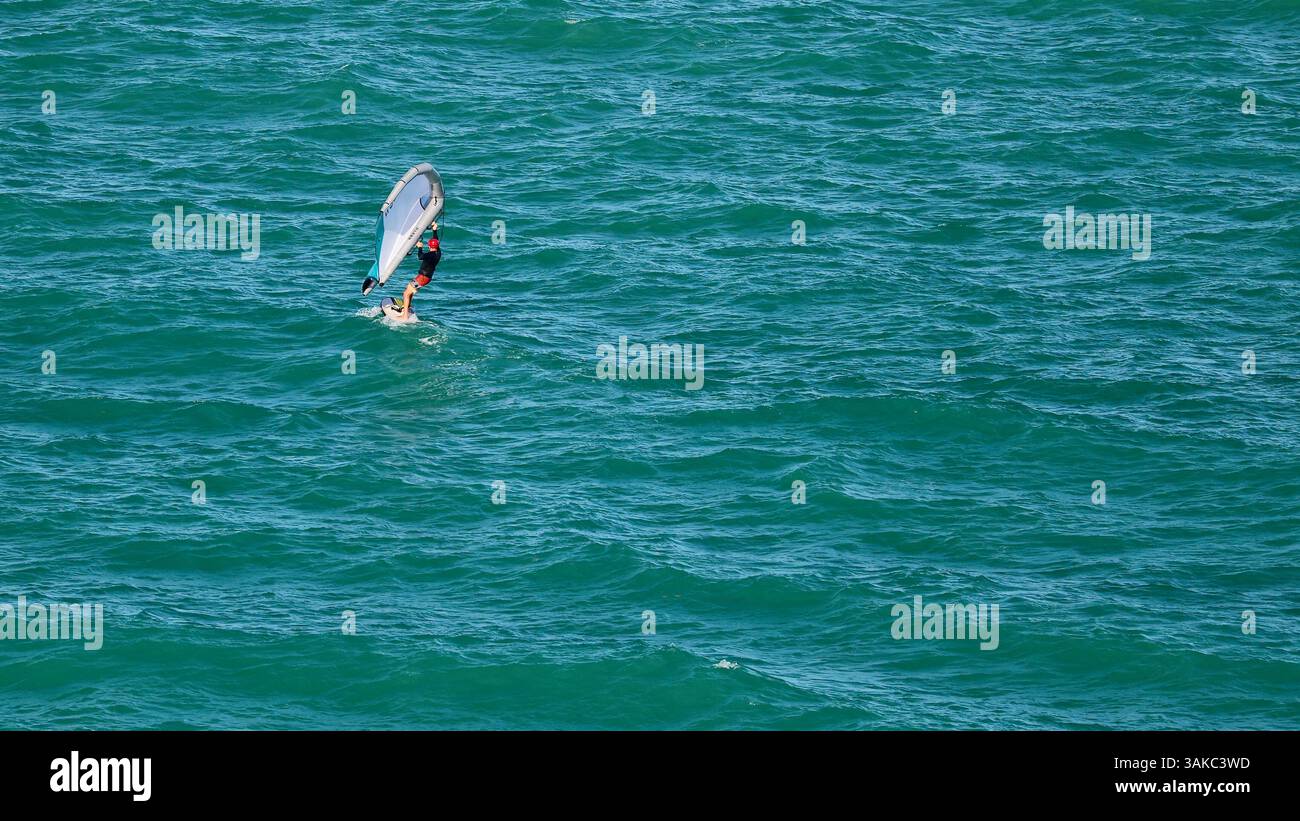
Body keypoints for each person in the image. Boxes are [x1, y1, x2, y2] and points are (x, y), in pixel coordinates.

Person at [395, 221, 441, 318]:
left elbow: (420, 257)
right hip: (426, 278)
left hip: (422, 278)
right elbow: (435, 240)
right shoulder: (438, 253)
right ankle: (408, 307)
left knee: (406, 293)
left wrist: (420, 248)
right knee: (410, 291)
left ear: (429, 246)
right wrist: (434, 230)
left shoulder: (429, 255)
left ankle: (405, 316)